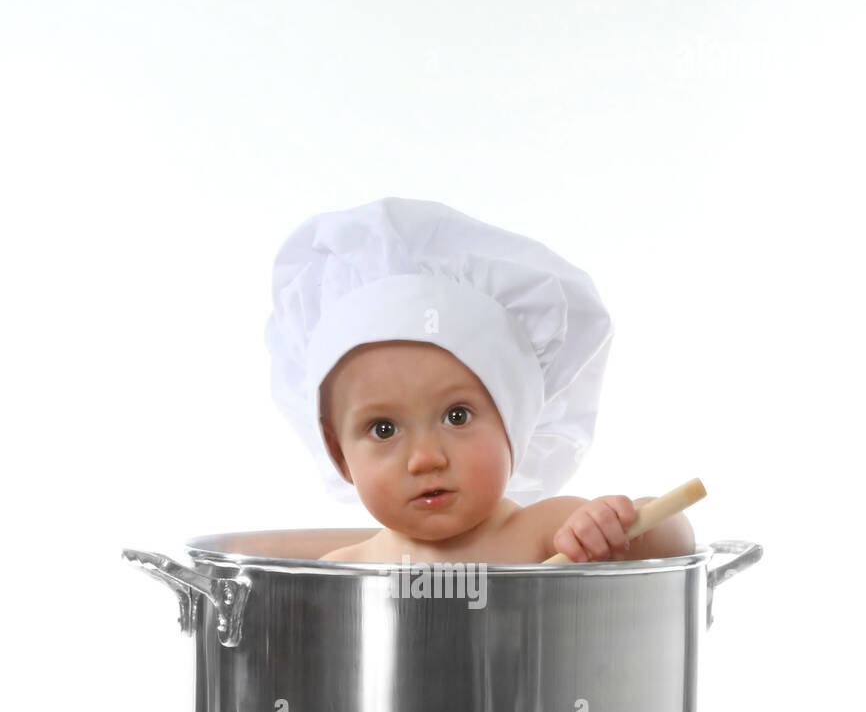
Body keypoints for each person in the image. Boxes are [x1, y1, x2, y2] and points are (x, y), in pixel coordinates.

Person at [264, 198, 695, 564]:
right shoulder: (342, 571)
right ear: (339, 454)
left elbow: (673, 541)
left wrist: (623, 526)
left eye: (456, 416)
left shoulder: (546, 532)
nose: (426, 458)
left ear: (514, 423)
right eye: (383, 429)